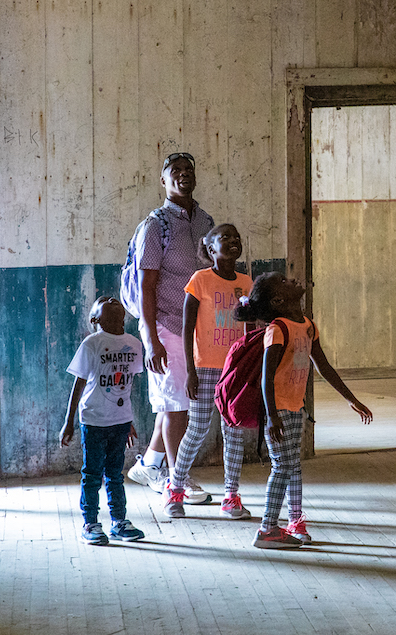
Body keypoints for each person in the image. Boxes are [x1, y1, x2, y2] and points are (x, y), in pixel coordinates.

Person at [234, 272, 373, 549]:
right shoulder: (278, 329)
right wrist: (271, 416)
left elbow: (323, 366)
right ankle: (267, 529)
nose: (293, 280)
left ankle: (295, 521)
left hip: (296, 407)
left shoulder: (308, 325)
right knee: (282, 466)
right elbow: (266, 377)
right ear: (278, 299)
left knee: (293, 465)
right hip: (280, 410)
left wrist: (350, 398)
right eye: (285, 281)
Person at [125, 151, 216, 503]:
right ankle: (178, 480)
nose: (183, 174)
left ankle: (150, 463)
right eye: (174, 171)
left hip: (196, 327)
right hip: (165, 324)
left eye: (188, 169)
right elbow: (146, 286)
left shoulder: (205, 222)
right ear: (163, 181)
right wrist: (151, 340)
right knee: (177, 403)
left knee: (172, 401)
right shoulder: (156, 225)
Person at [163, 224, 254, 519]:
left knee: (234, 433)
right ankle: (175, 488)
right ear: (210, 248)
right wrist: (190, 371)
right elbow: (187, 329)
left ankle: (231, 496)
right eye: (224, 237)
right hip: (205, 368)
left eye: (236, 237)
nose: (232, 241)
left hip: (234, 371)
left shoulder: (246, 282)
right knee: (198, 429)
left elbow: (250, 331)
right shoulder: (200, 280)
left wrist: (248, 369)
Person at [60, 296, 147, 544]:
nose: (111, 298)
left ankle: (119, 522)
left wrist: (128, 420)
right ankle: (90, 523)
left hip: (120, 422)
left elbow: (125, 387)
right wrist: (69, 422)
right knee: (92, 474)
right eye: (103, 300)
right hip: (94, 421)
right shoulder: (91, 344)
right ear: (95, 319)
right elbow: (79, 383)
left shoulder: (133, 344)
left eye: (113, 299)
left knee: (115, 474)